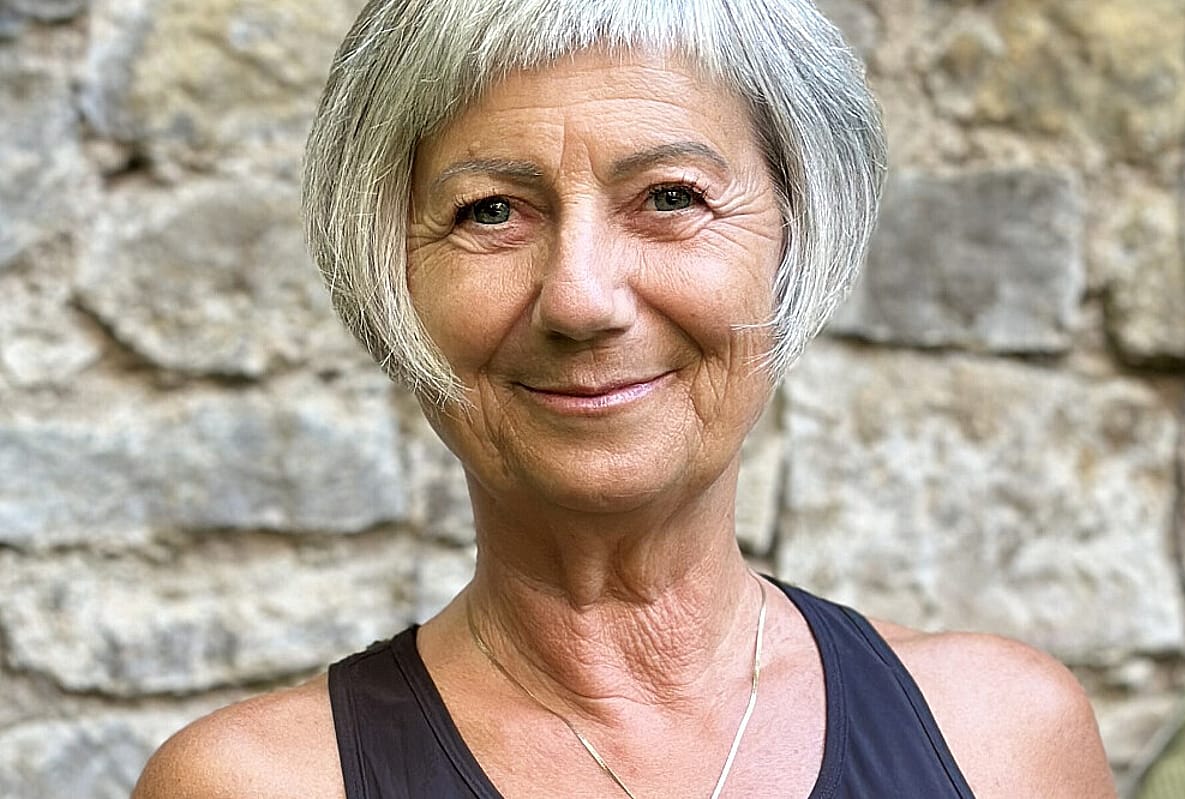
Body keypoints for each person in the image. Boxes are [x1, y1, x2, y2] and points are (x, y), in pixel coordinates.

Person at [133, 1, 1118, 797]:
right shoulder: (254, 784)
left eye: (672, 196)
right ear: (390, 279)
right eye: (491, 211)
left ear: (794, 240)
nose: (581, 299)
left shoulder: (1004, 742)